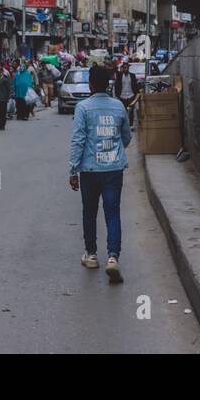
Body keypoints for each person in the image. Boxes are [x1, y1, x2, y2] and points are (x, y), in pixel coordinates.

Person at [69, 64, 132, 283]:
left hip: (90, 170)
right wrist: (114, 149)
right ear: (109, 84)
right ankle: (113, 258)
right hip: (113, 169)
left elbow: (78, 140)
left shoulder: (83, 108)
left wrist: (73, 170)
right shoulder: (118, 106)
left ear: (91, 84)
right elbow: (127, 136)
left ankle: (92, 255)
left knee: (89, 211)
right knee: (112, 212)